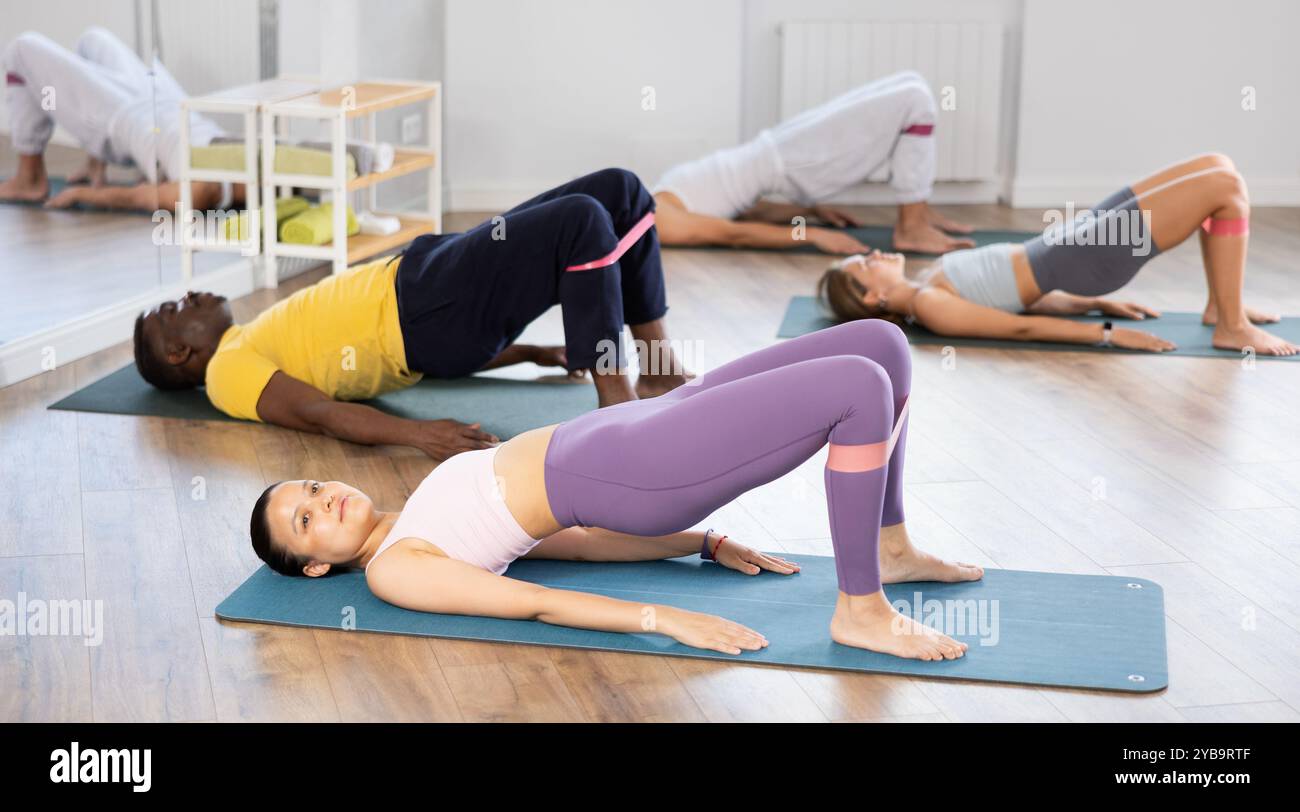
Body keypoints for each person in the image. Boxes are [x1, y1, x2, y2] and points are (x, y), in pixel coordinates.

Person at [250, 319, 981, 661]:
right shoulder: (394, 570)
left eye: (313, 489)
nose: (325, 501)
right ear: (316, 566)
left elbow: (576, 546)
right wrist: (665, 619)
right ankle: (860, 608)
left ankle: (890, 549)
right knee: (859, 387)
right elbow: (535, 602)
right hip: (641, 465)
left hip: (638, 425)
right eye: (307, 523)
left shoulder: (412, 514)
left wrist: (704, 543)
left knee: (881, 342)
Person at [133, 169, 693, 459]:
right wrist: (420, 434)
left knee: (622, 191)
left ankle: (661, 368)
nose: (190, 296)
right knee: (581, 219)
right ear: (180, 352)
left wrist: (528, 353)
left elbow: (371, 365)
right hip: (424, 306)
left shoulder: (252, 336)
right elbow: (319, 415)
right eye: (174, 310)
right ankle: (614, 412)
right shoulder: (226, 374)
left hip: (428, 284)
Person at [817, 154, 1297, 356]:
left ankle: (1221, 306)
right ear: (874, 298)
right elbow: (1019, 327)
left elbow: (1017, 301)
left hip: (1073, 240)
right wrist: (1109, 334)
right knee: (1225, 189)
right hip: (1083, 256)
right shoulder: (929, 305)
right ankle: (1231, 326)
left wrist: (1094, 305)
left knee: (1217, 165)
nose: (875, 254)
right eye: (865, 265)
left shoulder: (930, 284)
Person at [652, 71, 974, 255]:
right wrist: (813, 236)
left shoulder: (663, 196)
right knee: (915, 100)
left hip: (780, 149)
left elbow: (743, 207)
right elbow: (735, 234)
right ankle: (912, 225)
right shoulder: (658, 220)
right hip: (791, 163)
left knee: (912, 83)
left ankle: (919, 211)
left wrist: (809, 214)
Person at [0, 27, 233, 212]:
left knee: (20, 49)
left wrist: (87, 195)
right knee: (93, 39)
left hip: (128, 121)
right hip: (167, 102)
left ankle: (30, 179)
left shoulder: (228, 182)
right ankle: (95, 162)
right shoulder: (260, 153)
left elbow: (196, 194)